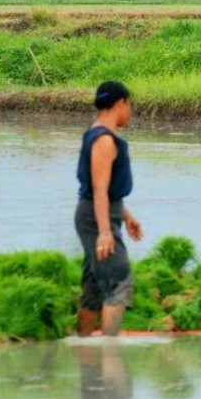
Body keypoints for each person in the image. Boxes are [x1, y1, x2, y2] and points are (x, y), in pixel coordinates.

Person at [75, 80, 143, 336]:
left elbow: (104, 188)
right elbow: (99, 189)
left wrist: (126, 216)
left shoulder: (97, 133)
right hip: (96, 217)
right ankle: (108, 348)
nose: (130, 112)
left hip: (99, 212)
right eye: (130, 105)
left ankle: (83, 345)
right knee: (120, 283)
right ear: (121, 103)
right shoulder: (104, 139)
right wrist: (105, 231)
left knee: (94, 284)